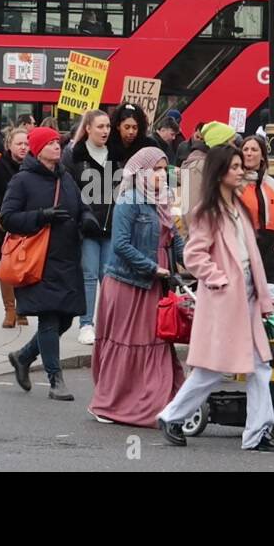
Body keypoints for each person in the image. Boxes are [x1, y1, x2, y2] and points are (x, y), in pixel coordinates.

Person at [156, 145, 274, 452]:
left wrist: (263, 297)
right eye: (234, 167)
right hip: (227, 299)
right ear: (219, 173)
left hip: (246, 297)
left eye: (241, 166)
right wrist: (220, 279)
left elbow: (251, 256)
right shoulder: (209, 211)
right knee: (214, 369)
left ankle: (257, 432)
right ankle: (172, 415)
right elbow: (193, 255)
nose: (241, 170)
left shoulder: (237, 207)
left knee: (258, 366)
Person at [89, 147, 185, 425]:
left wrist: (194, 263)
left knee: (155, 342)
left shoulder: (163, 201)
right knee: (127, 343)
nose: (161, 175)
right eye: (155, 169)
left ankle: (155, 400)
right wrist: (152, 267)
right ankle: (110, 403)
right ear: (141, 172)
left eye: (164, 169)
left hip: (158, 284)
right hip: (129, 284)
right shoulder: (129, 200)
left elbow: (173, 239)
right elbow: (120, 245)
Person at [4, 127, 99, 401]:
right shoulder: (23, 180)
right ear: (38, 148)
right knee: (49, 318)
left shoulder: (65, 177)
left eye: (58, 143)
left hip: (68, 258)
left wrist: (87, 218)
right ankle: (55, 379)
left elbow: (80, 207)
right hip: (39, 259)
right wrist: (41, 216)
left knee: (66, 318)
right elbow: (8, 218)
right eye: (50, 143)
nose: (57, 147)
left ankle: (23, 357)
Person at [67, 109, 116, 346]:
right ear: (88, 128)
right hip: (86, 227)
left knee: (107, 277)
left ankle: (107, 324)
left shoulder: (116, 154)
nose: (105, 131)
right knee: (88, 275)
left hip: (112, 225)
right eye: (100, 126)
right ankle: (86, 324)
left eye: (108, 126)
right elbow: (69, 189)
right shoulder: (75, 154)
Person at [0, 127, 30, 327]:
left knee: (25, 267)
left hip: (28, 224)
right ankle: (10, 310)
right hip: (3, 226)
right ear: (9, 145)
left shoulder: (33, 167)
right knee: (6, 267)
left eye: (26, 144)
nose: (23, 147)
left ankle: (23, 308)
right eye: (19, 143)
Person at [238, 135, 274, 283]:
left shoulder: (272, 185)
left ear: (262, 156)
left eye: (254, 149)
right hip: (243, 256)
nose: (249, 153)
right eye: (245, 149)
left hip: (268, 258)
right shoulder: (235, 183)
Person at [180, 121, 236, 227]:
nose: (235, 147)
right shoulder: (197, 167)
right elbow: (191, 211)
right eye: (232, 143)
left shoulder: (215, 165)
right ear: (221, 144)